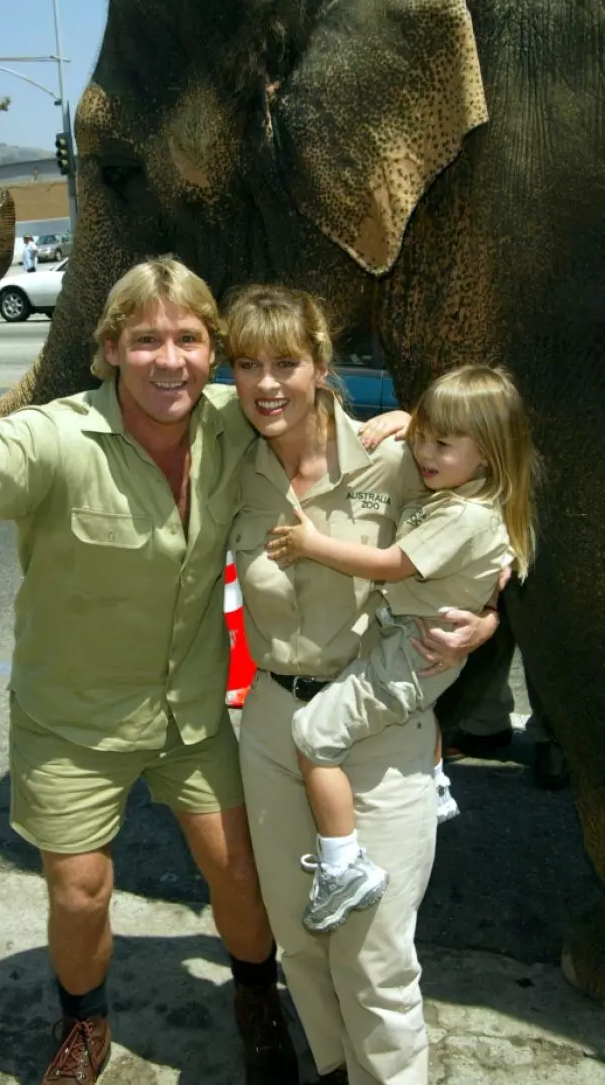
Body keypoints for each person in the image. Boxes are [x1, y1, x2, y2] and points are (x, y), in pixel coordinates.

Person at [0, 243, 301, 1085]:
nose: (168, 359)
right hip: (71, 719)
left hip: (191, 710)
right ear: (109, 349)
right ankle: (83, 1024)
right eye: (145, 340)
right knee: (79, 895)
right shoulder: (52, 440)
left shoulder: (236, 421)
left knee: (242, 872)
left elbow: (336, 435)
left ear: (213, 350)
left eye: (187, 338)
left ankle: (256, 995)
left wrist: (394, 431)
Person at [223, 284, 500, 1085]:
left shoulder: (397, 455)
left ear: (321, 366)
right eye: (247, 364)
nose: (267, 384)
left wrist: (485, 618)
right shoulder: (232, 468)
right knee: (301, 940)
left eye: (285, 362)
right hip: (276, 724)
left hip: (375, 727)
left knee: (376, 958)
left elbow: (493, 518)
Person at [264, 365, 537, 933]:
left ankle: (343, 865)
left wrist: (313, 544)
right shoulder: (461, 490)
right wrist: (412, 422)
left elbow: (394, 564)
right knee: (420, 704)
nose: (424, 451)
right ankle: (436, 782)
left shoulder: (462, 513)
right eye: (424, 437)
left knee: (314, 736)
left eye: (442, 442)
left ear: (486, 454)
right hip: (415, 646)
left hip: (412, 650)